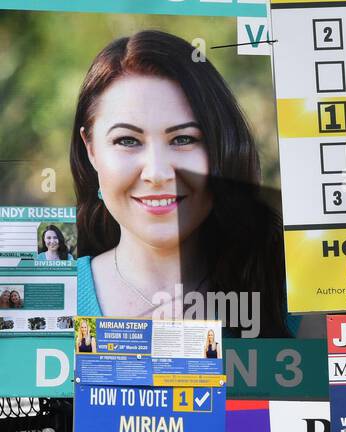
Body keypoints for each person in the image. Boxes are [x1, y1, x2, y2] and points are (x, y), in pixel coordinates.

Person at [70, 30, 288, 336]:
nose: (157, 173)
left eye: (183, 139)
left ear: (222, 148)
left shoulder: (294, 302)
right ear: (90, 150)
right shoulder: (44, 298)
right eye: (127, 140)